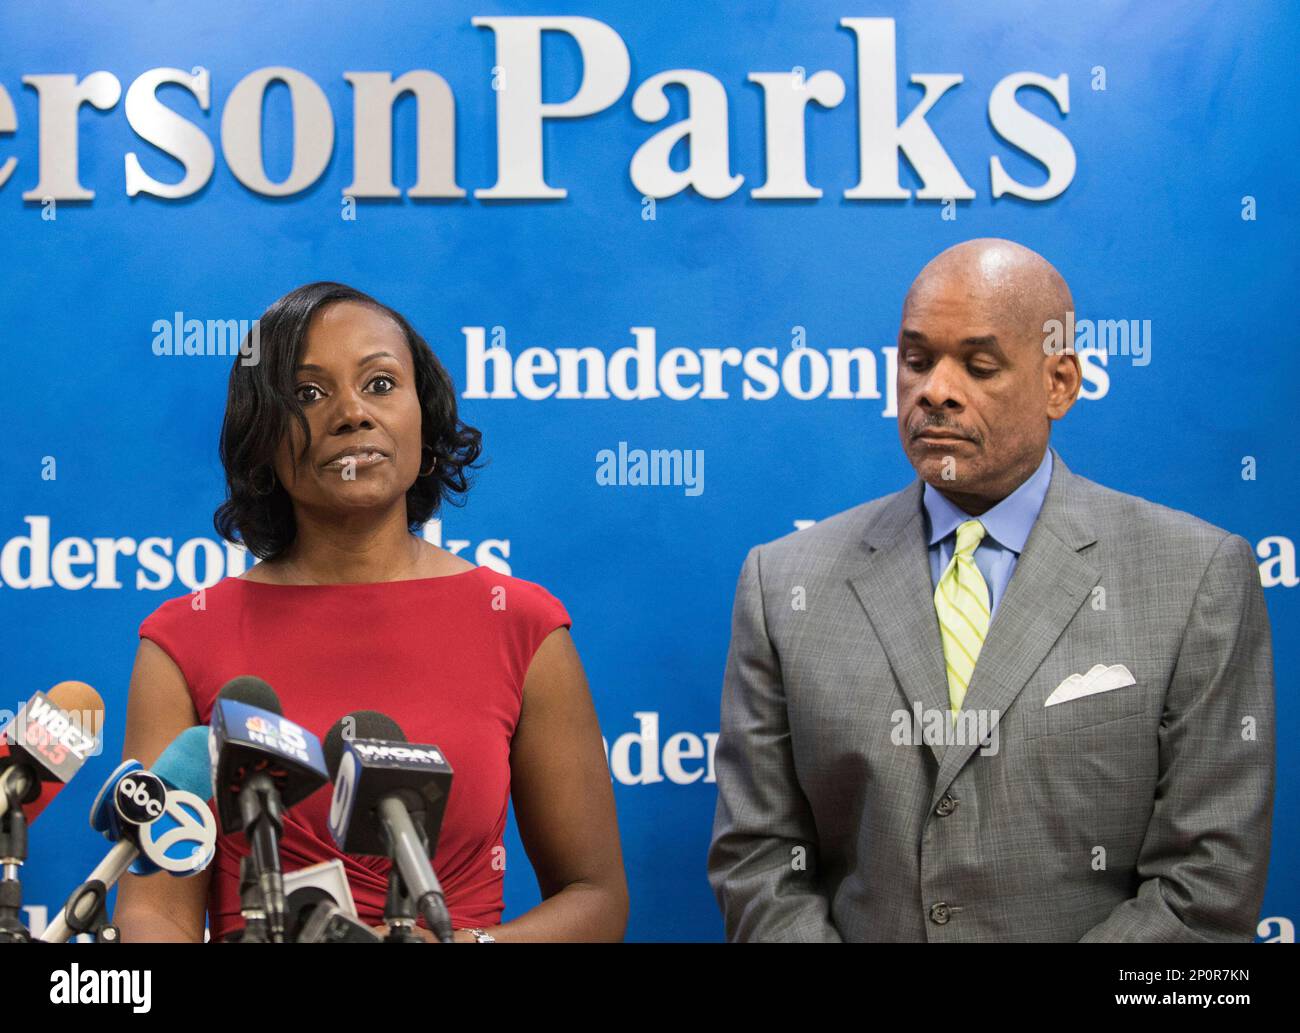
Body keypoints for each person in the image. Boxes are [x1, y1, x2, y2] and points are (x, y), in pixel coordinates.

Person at [707, 238, 1275, 942]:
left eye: (978, 366)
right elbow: (759, 860)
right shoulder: (782, 582)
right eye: (916, 361)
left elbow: (1208, 885)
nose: (935, 390)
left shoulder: (1195, 575)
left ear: (1059, 383)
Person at [115, 282, 628, 942]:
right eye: (308, 393)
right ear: (264, 437)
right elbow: (154, 910)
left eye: (380, 383)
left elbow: (596, 898)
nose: (352, 413)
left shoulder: (522, 626)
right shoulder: (182, 641)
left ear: (424, 416)